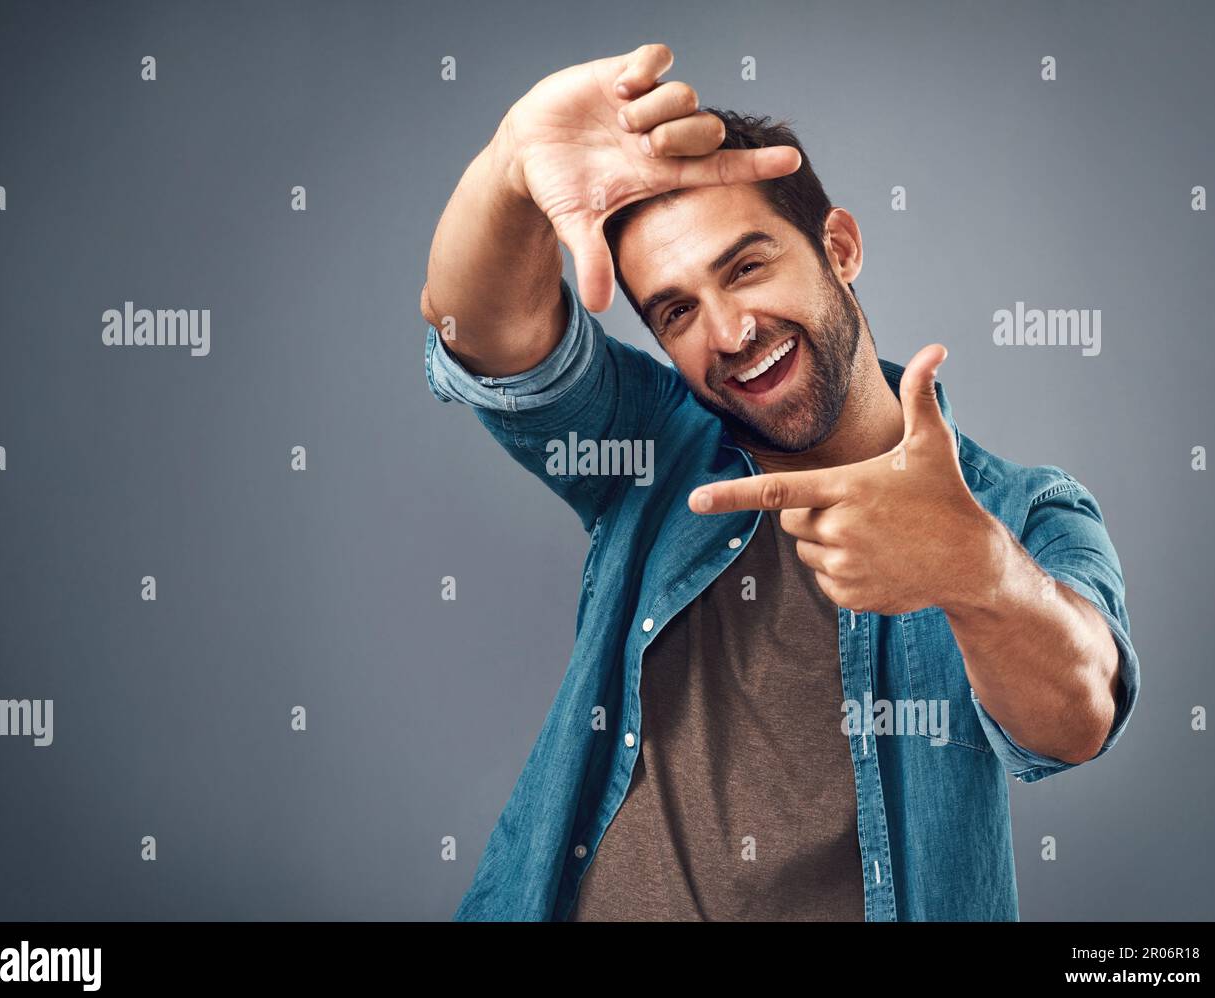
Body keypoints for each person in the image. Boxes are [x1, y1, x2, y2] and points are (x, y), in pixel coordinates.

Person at [420, 43, 1139, 921]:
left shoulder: (1018, 510)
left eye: (746, 266)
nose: (727, 331)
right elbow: (481, 333)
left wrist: (976, 571)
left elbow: (1080, 711)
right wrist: (510, 162)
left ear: (838, 247)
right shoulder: (651, 445)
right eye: (677, 311)